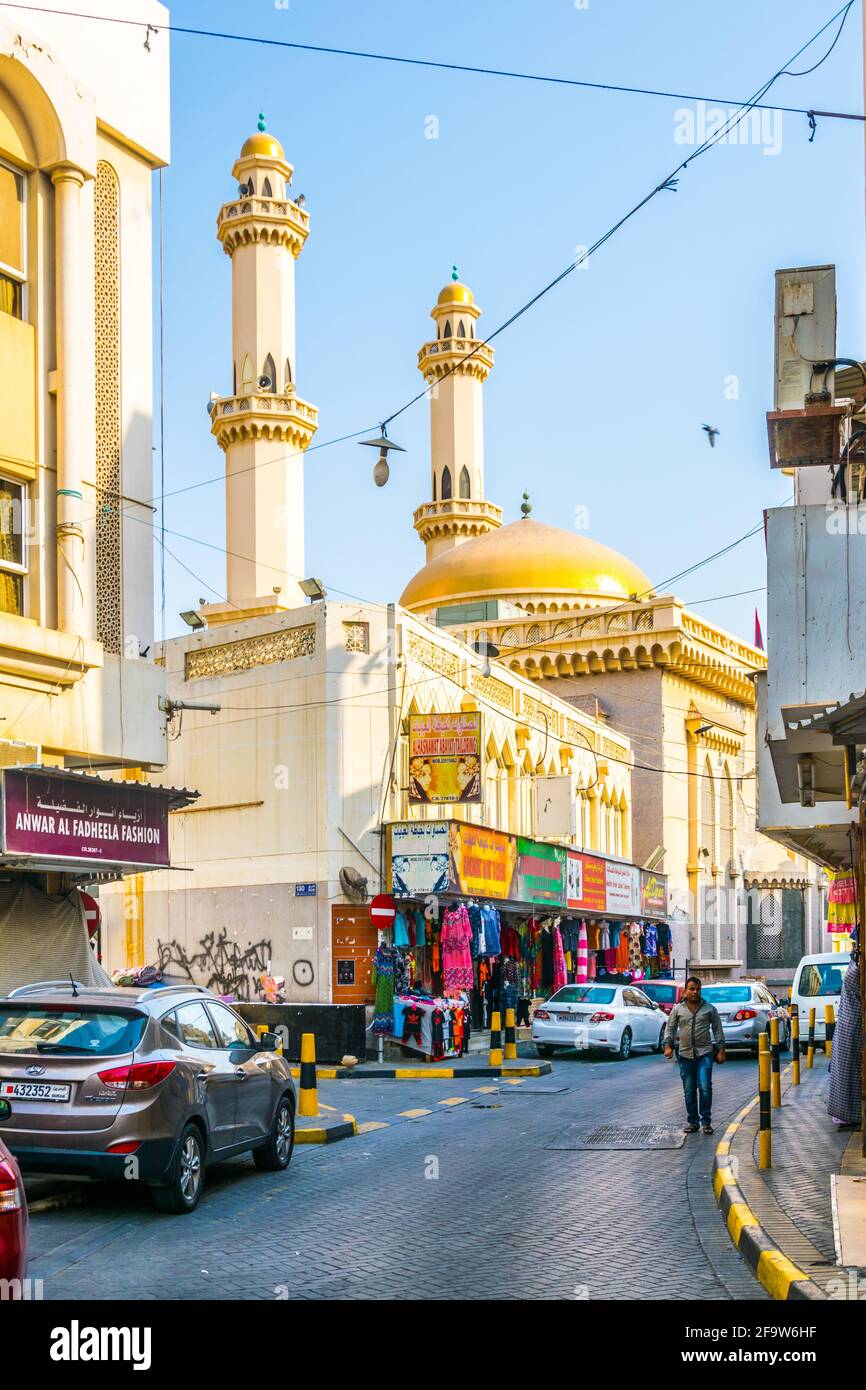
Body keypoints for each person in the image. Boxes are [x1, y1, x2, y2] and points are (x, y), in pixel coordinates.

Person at [664, 975, 726, 1134]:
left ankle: (706, 1122)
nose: (695, 992)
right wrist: (668, 1046)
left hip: (705, 1054)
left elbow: (717, 1029)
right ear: (685, 991)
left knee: (705, 1087)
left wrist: (721, 1050)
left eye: (698, 989)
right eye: (692, 989)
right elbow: (670, 1028)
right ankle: (693, 1122)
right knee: (689, 1090)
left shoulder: (709, 1009)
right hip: (685, 1055)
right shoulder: (678, 1009)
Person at [827, 955, 862, 1129]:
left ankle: (851, 1111)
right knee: (847, 1068)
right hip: (849, 1025)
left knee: (851, 1069)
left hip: (854, 1024)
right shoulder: (856, 963)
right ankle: (847, 1111)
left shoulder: (858, 966)